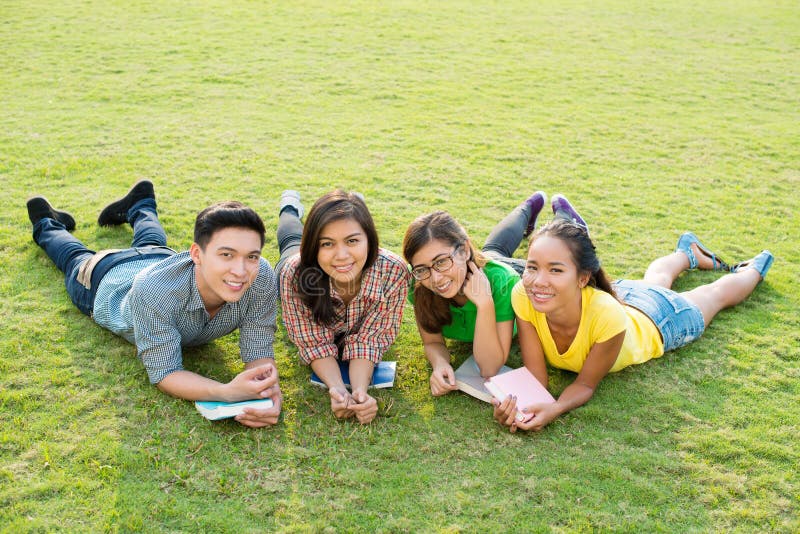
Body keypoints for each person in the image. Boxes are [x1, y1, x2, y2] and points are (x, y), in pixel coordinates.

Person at [493, 201, 774, 432]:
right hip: (624, 294)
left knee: (714, 295)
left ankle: (754, 268)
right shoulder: (525, 295)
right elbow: (536, 377)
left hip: (661, 320)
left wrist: (554, 409)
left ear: (582, 278)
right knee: (653, 283)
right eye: (532, 267)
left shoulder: (607, 315)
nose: (538, 281)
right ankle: (685, 253)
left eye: (555, 270)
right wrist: (517, 406)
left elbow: (585, 384)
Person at [26, 180, 282, 428]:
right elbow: (166, 372)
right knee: (74, 257)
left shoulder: (260, 276)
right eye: (226, 254)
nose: (240, 270)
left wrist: (267, 392)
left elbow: (258, 348)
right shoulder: (153, 292)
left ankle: (141, 204)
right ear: (196, 254)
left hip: (159, 258)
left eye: (251, 256)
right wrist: (225, 392)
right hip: (106, 278)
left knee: (152, 244)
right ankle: (46, 222)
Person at [402, 192, 589, 395]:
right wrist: (439, 364)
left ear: (464, 250)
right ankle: (528, 207)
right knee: (494, 249)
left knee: (555, 244)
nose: (435, 279)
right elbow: (433, 342)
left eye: (441, 262)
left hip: (512, 273)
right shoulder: (420, 282)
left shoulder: (503, 283)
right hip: (479, 265)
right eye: (422, 268)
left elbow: (489, 368)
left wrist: (484, 304)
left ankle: (566, 217)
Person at [276, 190, 410, 424]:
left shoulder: (393, 271)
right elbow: (314, 342)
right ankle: (289, 207)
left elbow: (369, 339)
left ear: (369, 238)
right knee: (290, 240)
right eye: (327, 243)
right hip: (302, 264)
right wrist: (337, 390)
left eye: (352, 240)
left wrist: (359, 393)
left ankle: (352, 205)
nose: (341, 255)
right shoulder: (294, 274)